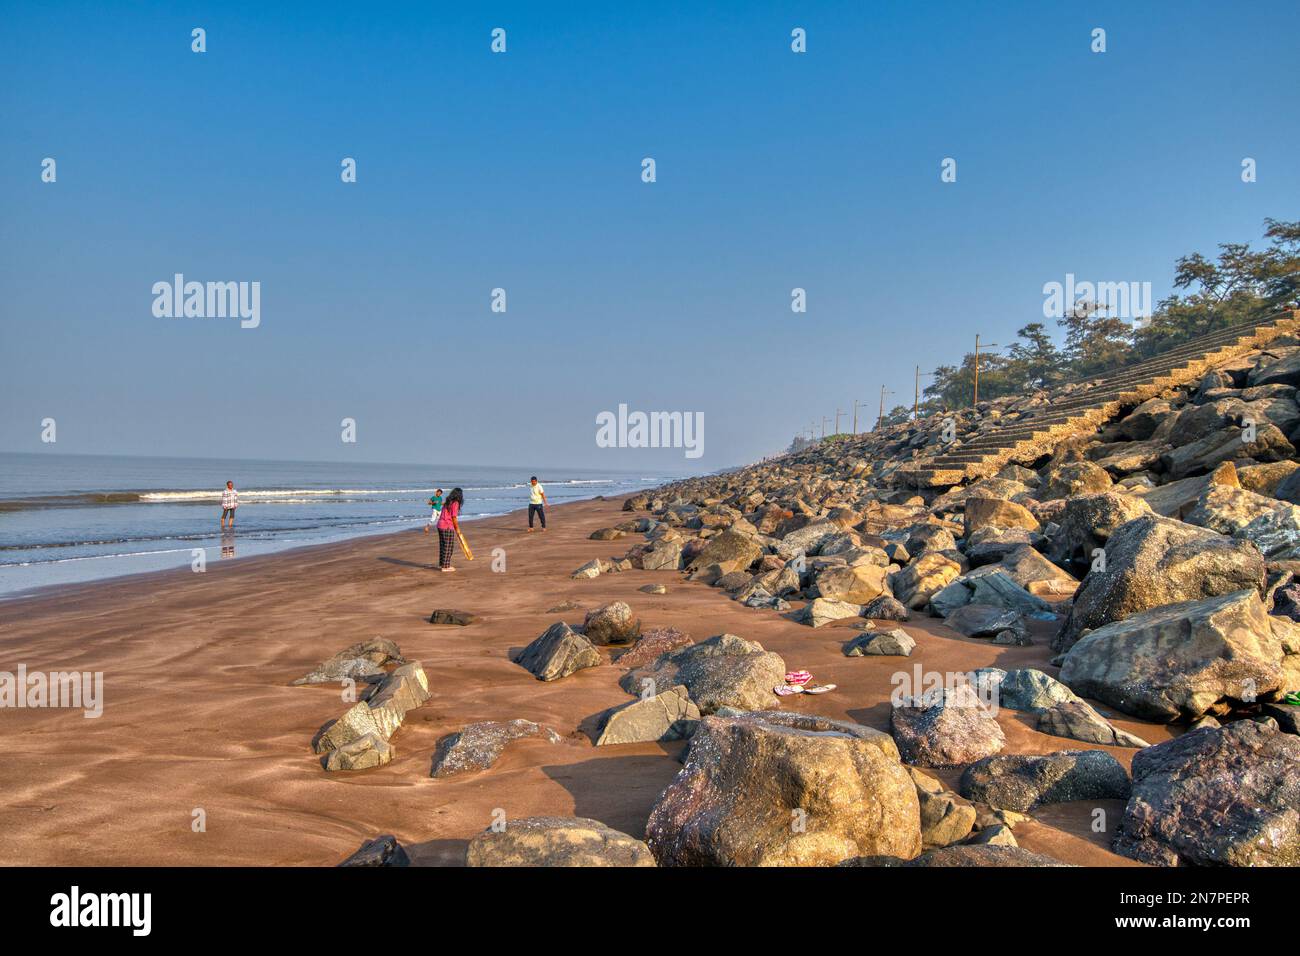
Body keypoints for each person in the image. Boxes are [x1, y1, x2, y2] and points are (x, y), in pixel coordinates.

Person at [436, 487, 464, 572]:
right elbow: (454, 517)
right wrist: (457, 529)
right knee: (449, 546)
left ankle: (442, 564)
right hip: (447, 526)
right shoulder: (455, 503)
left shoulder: (448, 501)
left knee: (443, 546)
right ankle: (446, 566)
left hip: (440, 525)